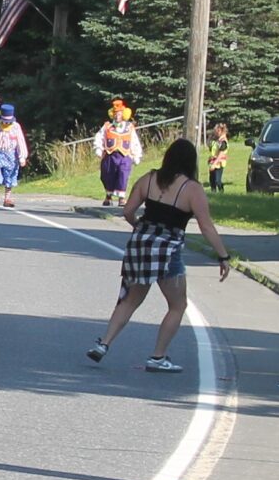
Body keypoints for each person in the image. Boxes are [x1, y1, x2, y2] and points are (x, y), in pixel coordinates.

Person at [86, 138, 232, 373]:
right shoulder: (192, 189)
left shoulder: (150, 178)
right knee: (177, 304)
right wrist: (223, 256)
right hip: (168, 249)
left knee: (130, 299)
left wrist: (140, 228)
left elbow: (127, 211)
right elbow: (206, 226)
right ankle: (158, 356)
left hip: (139, 244)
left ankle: (104, 343)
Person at [93, 99, 144, 208]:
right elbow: (99, 137)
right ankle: (108, 196)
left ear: (124, 114)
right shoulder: (107, 127)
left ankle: (122, 198)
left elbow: (134, 141)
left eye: (120, 113)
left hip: (125, 156)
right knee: (107, 175)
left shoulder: (129, 127)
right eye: (116, 113)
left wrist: (136, 155)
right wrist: (98, 148)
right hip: (110, 156)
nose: (117, 116)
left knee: (123, 174)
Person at [0, 101, 28, 209]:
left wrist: (22, 157)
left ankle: (7, 198)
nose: (7, 123)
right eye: (5, 121)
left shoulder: (16, 127)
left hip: (11, 155)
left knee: (11, 176)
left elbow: (20, 142)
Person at [207, 123, 230, 193]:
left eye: (217, 131)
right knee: (212, 180)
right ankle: (213, 192)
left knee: (217, 180)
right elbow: (210, 146)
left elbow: (221, 154)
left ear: (221, 131)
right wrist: (210, 137)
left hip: (219, 163)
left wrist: (214, 163)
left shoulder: (223, 141)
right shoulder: (217, 140)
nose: (215, 133)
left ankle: (221, 191)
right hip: (212, 161)